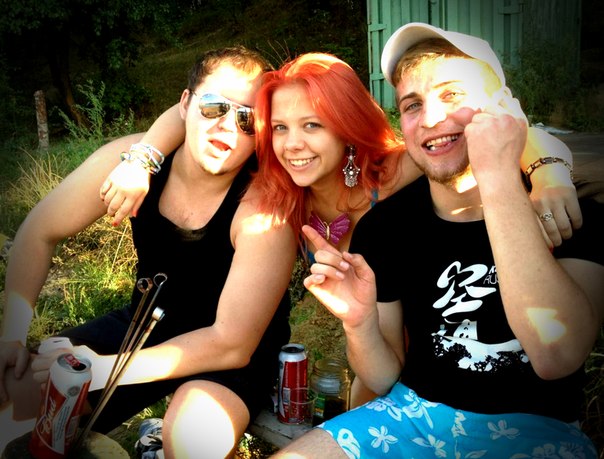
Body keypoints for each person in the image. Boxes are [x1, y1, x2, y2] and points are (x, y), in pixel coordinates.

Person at [99, 51, 582, 409]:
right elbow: (186, 113)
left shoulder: (391, 172)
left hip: (433, 332)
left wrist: (549, 172)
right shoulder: (278, 187)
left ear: (346, 127)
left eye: (313, 125)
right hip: (369, 336)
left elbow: (492, 132)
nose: (292, 144)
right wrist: (144, 157)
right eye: (279, 128)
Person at [272, 23, 604, 458]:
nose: (430, 119)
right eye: (413, 105)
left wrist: (499, 175)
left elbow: (557, 356)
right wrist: (359, 323)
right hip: (410, 415)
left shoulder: (569, 211)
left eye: (452, 95)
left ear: (503, 109)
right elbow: (383, 376)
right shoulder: (384, 227)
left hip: (539, 431)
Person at [0, 46, 297, 458]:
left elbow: (232, 344)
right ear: (185, 104)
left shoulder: (263, 209)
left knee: (193, 440)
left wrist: (101, 370)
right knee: (18, 393)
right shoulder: (131, 163)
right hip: (147, 322)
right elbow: (38, 231)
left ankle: (161, 439)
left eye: (247, 118)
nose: (228, 125)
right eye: (214, 106)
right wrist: (13, 335)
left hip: (232, 353)